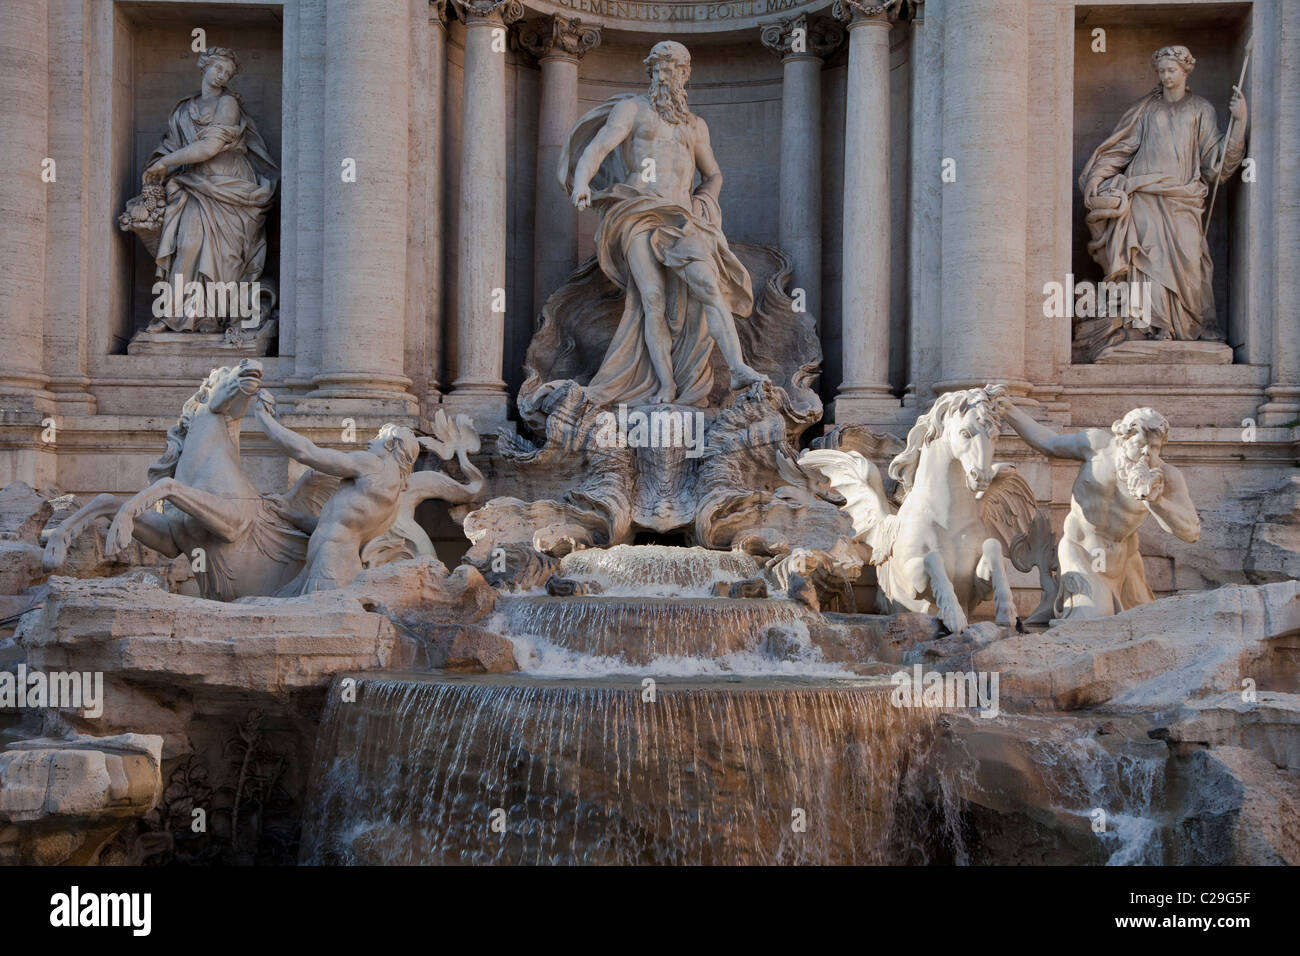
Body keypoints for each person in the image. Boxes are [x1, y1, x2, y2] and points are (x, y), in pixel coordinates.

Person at [561, 40, 767, 407]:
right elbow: (597, 148)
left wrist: (705, 202)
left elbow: (714, 174)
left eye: (673, 69)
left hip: (682, 218)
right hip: (637, 212)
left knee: (707, 284)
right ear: (650, 72)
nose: (666, 75)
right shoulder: (633, 110)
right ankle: (666, 386)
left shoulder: (695, 126)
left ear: (685, 75)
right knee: (651, 300)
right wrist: (580, 184)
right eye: (659, 68)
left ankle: (737, 367)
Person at [1077, 45, 1246, 356]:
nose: (1167, 76)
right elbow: (1121, 150)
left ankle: (1188, 325)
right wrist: (1098, 177)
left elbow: (1217, 165)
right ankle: (1156, 327)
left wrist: (1239, 124)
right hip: (1143, 195)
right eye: (1163, 71)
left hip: (1183, 198)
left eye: (1173, 71)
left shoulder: (1201, 110)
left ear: (1186, 72)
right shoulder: (1146, 110)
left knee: (1190, 261)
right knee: (1147, 260)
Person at [995, 398, 1200, 619]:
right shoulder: (1097, 446)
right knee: (1091, 621)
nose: (1147, 453)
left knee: (1146, 627)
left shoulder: (1166, 476)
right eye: (1140, 444)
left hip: (1124, 562)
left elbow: (1191, 531)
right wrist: (1009, 411)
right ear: (1123, 438)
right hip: (1080, 550)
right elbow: (1048, 442)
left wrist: (1156, 502)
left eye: (1155, 447)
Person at [141, 47, 278, 332]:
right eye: (218, 68)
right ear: (204, 66)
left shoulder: (228, 103)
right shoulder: (182, 110)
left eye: (227, 73)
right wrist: (161, 166)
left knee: (225, 256)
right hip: (194, 185)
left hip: (229, 187)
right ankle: (174, 316)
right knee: (188, 246)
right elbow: (171, 146)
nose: (222, 75)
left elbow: (210, 146)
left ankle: (211, 317)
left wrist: (166, 163)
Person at [254, 393, 420, 596]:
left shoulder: (373, 465)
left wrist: (264, 419)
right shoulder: (394, 503)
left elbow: (307, 453)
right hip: (340, 566)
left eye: (378, 438)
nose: (370, 441)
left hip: (329, 566)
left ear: (390, 444)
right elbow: (336, 526)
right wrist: (292, 515)